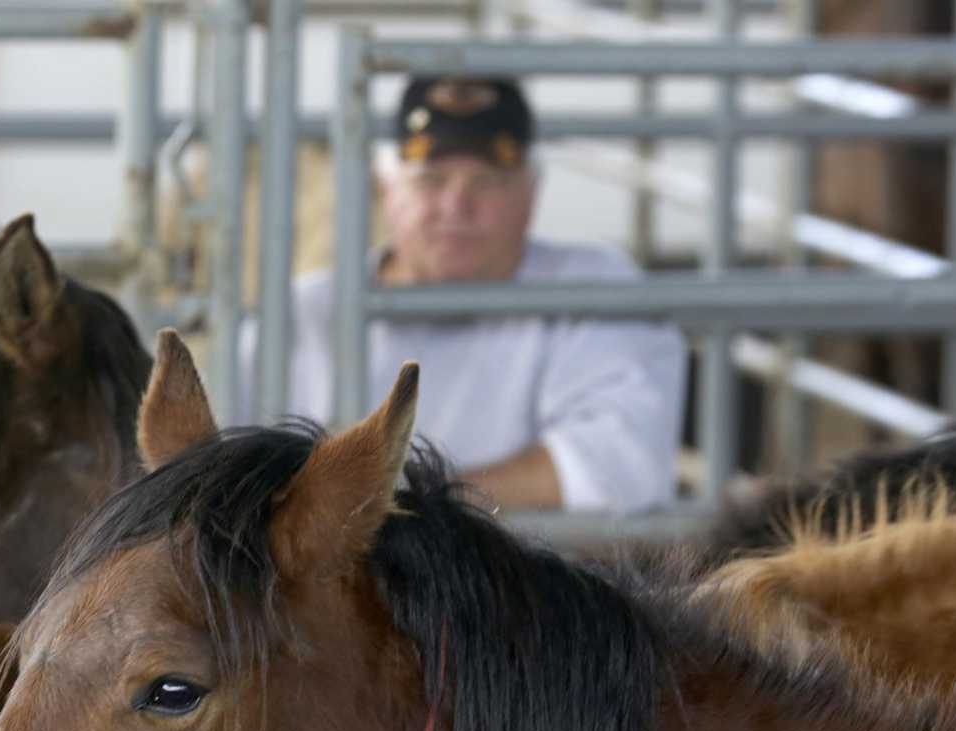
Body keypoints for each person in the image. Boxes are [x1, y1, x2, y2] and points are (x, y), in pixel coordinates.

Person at [246, 77, 687, 515]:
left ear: (531, 193)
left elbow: (621, 467)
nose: (457, 205)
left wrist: (398, 506)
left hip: (513, 570)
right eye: (431, 179)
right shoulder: (302, 315)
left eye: (487, 181)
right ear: (386, 188)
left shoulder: (595, 289)